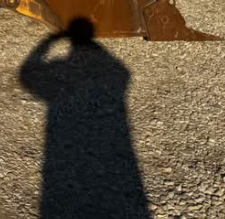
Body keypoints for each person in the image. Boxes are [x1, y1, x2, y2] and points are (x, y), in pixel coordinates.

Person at [18, 18, 151, 219]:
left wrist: (48, 43)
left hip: (62, 145)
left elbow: (27, 76)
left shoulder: (65, 72)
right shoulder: (115, 71)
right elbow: (123, 75)